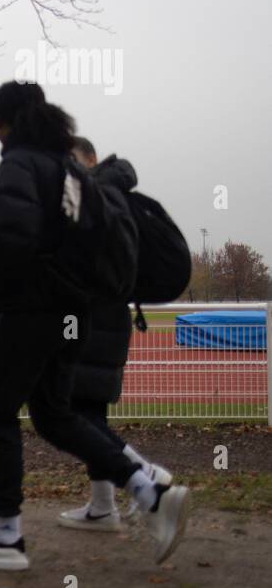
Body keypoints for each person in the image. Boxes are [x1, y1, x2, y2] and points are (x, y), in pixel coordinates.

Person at [0, 81, 188, 571]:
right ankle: (147, 488)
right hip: (70, 314)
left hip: (25, 310)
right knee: (56, 415)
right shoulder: (73, 172)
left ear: (5, 121)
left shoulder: (21, 163)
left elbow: (9, 241)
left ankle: (7, 538)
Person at [58, 136, 170, 530]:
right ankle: (103, 506)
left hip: (95, 320)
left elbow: (92, 264)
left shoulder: (100, 195)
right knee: (88, 412)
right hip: (99, 319)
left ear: (90, 157)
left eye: (72, 160)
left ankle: (146, 475)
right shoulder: (109, 193)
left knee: (75, 415)